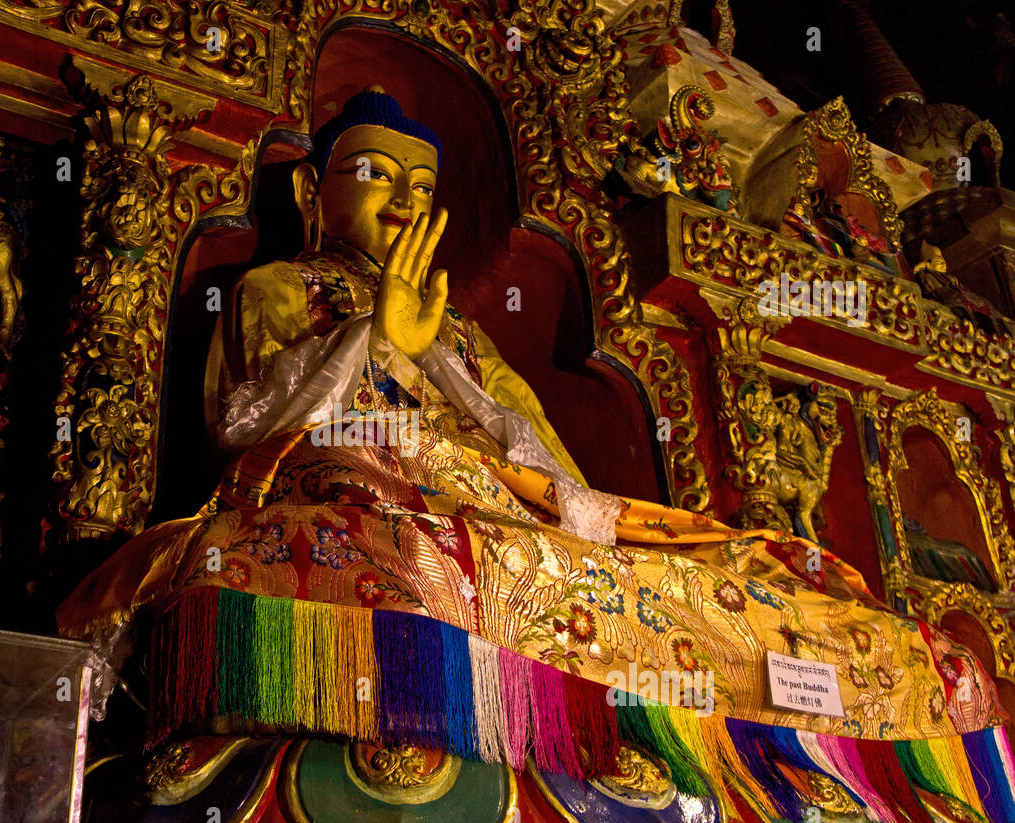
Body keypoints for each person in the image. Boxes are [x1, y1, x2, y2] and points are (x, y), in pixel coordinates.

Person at [58, 89, 1005, 775]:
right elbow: (247, 428)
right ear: (313, 189)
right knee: (387, 553)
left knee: (732, 581)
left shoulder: (462, 330)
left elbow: (550, 470)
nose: (401, 199)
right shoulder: (280, 287)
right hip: (362, 496)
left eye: (419, 185)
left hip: (504, 519)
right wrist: (368, 336)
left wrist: (437, 359)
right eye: (372, 173)